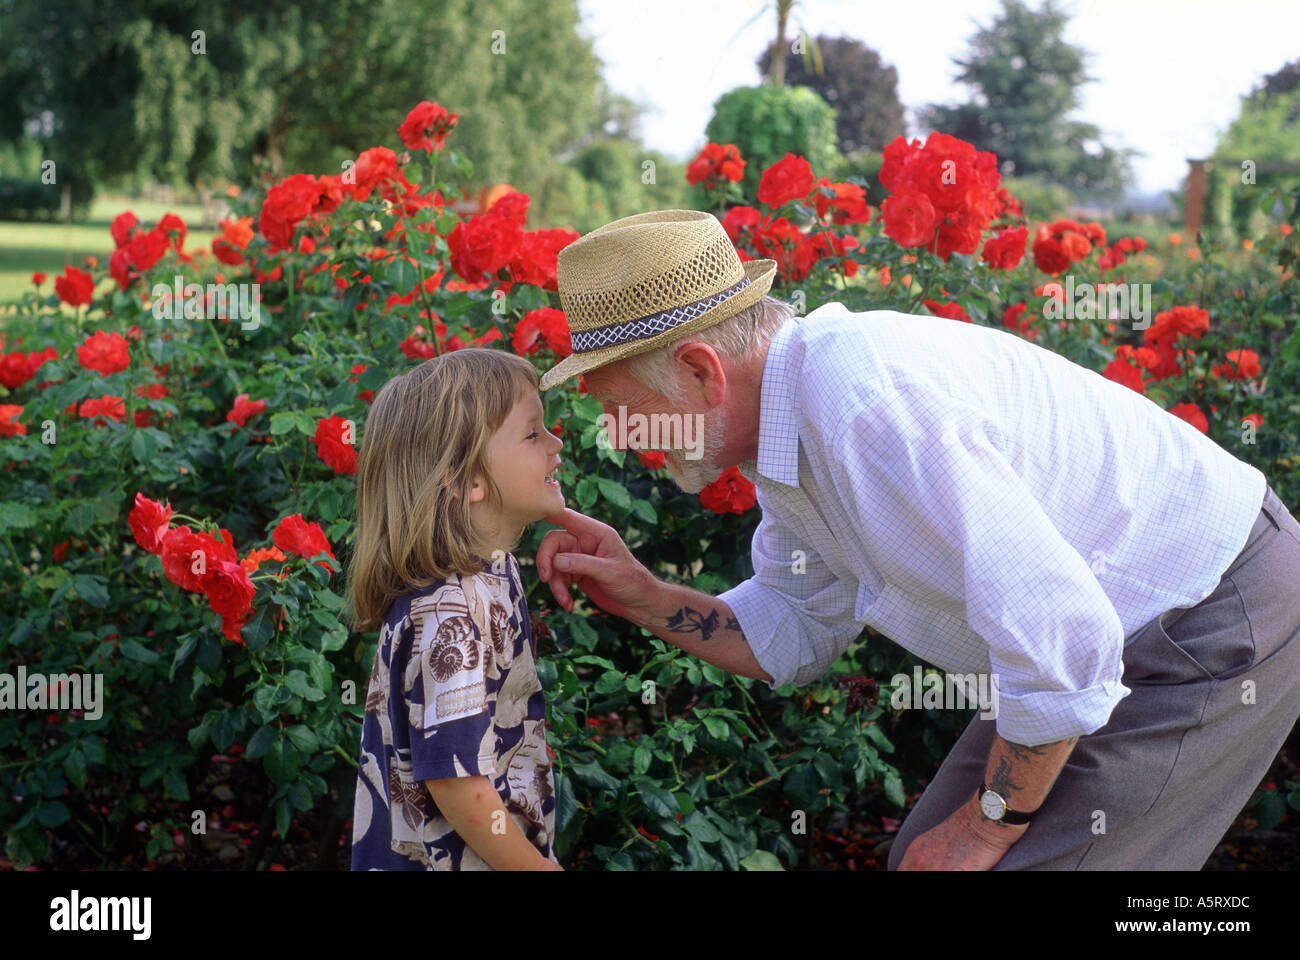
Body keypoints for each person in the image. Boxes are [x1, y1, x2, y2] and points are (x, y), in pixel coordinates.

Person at [531, 207, 1300, 870]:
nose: (619, 435)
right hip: (1106, 631)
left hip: (1211, 613)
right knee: (923, 854)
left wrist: (983, 830)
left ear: (702, 372)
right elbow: (794, 630)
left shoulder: (869, 410)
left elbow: (1065, 643)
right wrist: (644, 595)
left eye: (623, 407)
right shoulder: (792, 423)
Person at [347, 348, 565, 870]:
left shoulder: (492, 568)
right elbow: (458, 784)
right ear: (466, 480)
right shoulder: (449, 617)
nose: (557, 443)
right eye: (533, 433)